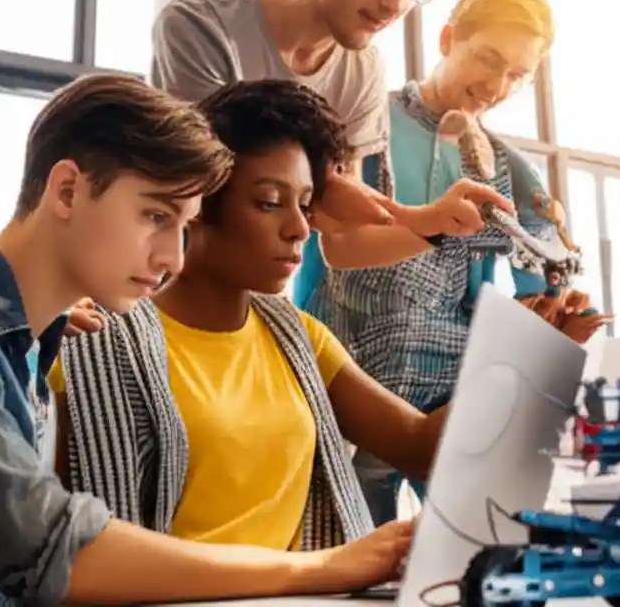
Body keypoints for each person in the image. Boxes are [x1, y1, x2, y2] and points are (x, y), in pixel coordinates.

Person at [0, 74, 411, 607]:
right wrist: (317, 568)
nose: (174, 257)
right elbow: (46, 550)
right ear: (67, 188)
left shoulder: (33, 346)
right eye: (155, 215)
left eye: (183, 225)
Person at [49, 80, 449, 549]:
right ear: (199, 201)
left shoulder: (297, 337)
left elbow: (422, 447)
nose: (299, 228)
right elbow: (66, 550)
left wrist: (541, 355)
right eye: (269, 203)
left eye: (304, 205)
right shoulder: (93, 340)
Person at [304, 0, 609, 524]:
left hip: (452, 391)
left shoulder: (506, 166)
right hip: (347, 377)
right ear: (446, 39)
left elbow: (541, 285)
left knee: (474, 545)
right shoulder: (365, 117)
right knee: (349, 541)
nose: (497, 85)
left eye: (517, 74)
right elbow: (337, 244)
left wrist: (552, 313)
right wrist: (436, 225)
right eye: (487, 58)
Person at [152, 0, 514, 269]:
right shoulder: (200, 26)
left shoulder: (362, 71)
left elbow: (344, 246)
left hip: (256, 308)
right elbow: (202, 190)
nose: (394, 5)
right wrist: (325, 189)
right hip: (170, 284)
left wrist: (430, 222)